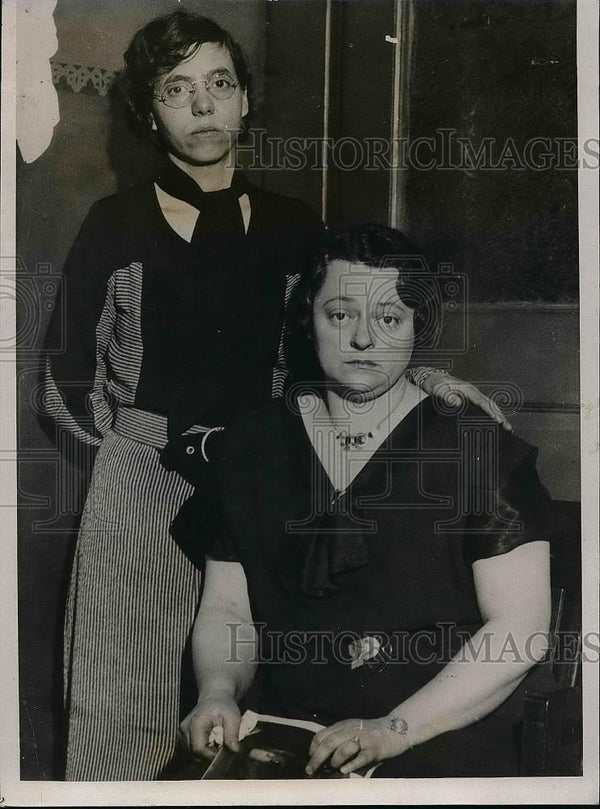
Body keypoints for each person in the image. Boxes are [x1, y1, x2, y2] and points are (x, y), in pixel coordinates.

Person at [43, 10, 510, 781]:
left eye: (220, 84)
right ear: (148, 112)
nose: (202, 106)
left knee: (253, 698)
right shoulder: (112, 224)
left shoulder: (297, 225)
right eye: (177, 89)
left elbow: (345, 337)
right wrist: (138, 449)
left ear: (245, 102)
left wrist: (425, 376)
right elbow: (64, 383)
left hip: (267, 472)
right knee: (125, 699)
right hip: (143, 483)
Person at [177, 224, 552, 778]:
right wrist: (217, 690)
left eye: (389, 318)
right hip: (290, 737)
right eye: (341, 315)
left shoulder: (477, 449)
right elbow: (229, 610)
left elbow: (519, 632)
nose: (363, 340)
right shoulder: (254, 447)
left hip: (435, 737)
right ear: (309, 320)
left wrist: (392, 731)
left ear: (416, 327)